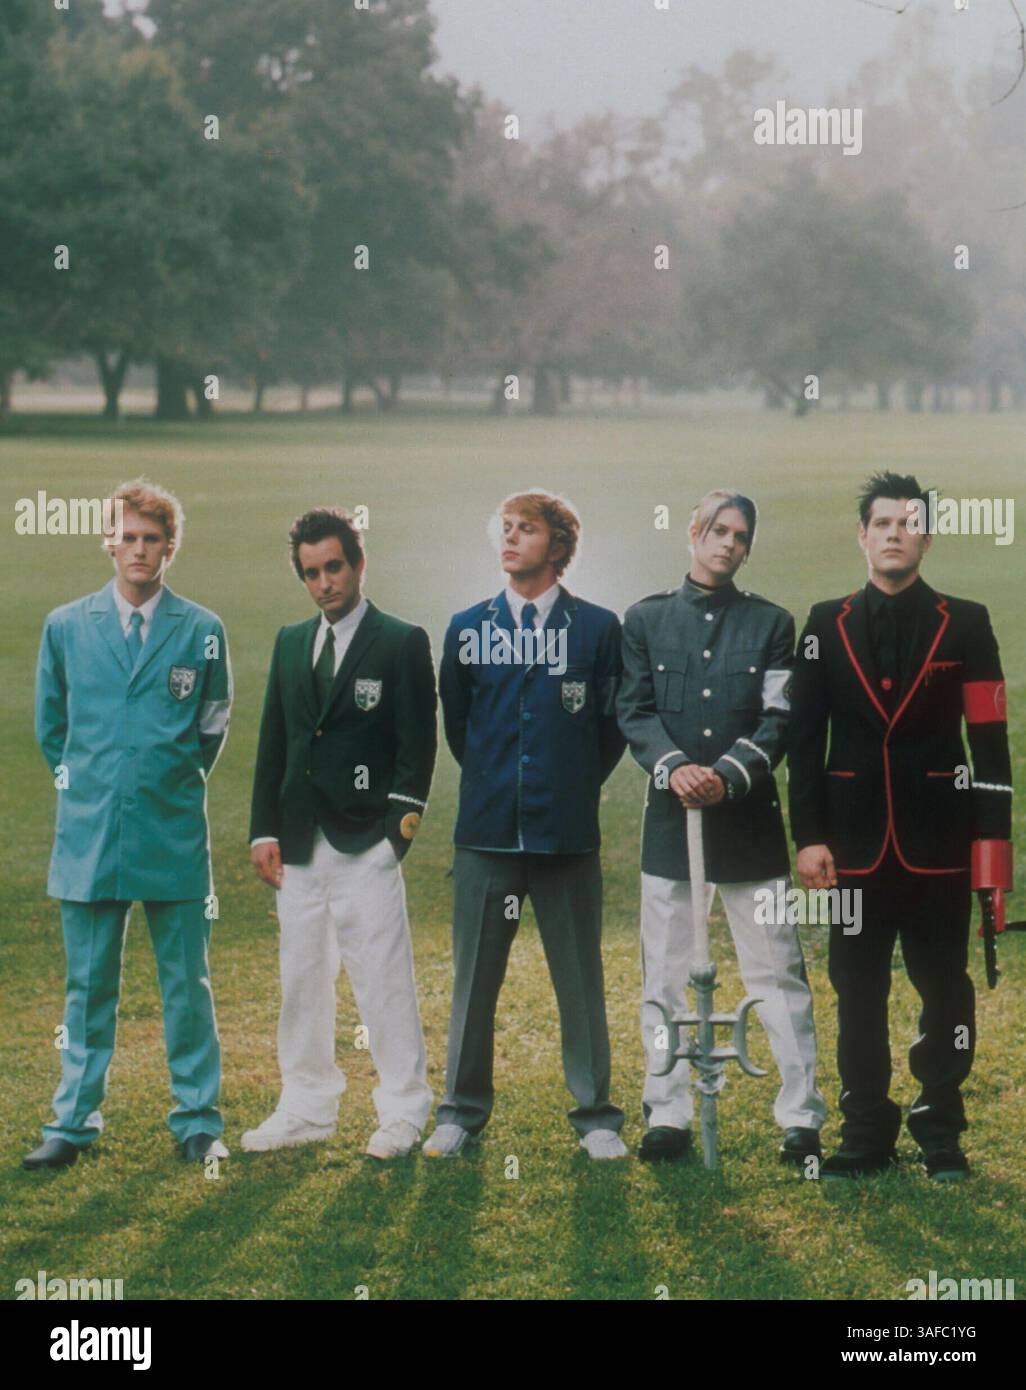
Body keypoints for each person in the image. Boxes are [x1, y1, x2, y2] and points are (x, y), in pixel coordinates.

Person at [788, 472, 1013, 1182]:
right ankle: (865, 1128)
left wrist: (993, 859)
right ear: (862, 535)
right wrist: (809, 836)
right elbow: (803, 741)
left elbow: (992, 744)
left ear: (926, 536)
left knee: (946, 988)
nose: (893, 533)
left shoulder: (967, 622)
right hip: (851, 849)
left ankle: (940, 1124)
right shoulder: (824, 624)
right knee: (857, 986)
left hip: (941, 849)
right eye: (880, 523)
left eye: (907, 523)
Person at [25, 479, 232, 1169]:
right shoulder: (65, 625)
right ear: (108, 541)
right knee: (87, 988)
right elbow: (51, 728)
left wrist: (162, 777)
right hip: (89, 834)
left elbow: (211, 724)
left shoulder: (201, 629)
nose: (139, 550)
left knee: (187, 984)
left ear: (170, 547)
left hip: (171, 832)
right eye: (128, 537)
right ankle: (72, 1123)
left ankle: (198, 1120)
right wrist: (95, 783)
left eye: (152, 539)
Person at [617, 488, 825, 1164]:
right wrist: (675, 768)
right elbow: (636, 710)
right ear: (693, 531)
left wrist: (729, 774)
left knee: (776, 972)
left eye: (741, 536)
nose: (729, 544)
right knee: (666, 976)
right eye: (719, 530)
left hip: (748, 827)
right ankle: (667, 1111)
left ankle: (799, 1117)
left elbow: (778, 719)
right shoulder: (645, 621)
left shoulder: (771, 625)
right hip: (670, 826)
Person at [423, 490, 627, 1159]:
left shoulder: (598, 629)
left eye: (527, 530)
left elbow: (607, 731)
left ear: (559, 546)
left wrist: (566, 785)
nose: (510, 539)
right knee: (474, 980)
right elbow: (460, 727)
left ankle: (596, 1116)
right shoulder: (466, 626)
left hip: (566, 835)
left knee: (580, 977)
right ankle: (458, 1111)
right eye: (504, 528)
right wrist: (498, 780)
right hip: (486, 833)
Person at [246, 508, 436, 1160]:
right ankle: (306, 1107)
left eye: (333, 567)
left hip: (365, 841)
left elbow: (418, 748)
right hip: (298, 841)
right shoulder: (290, 642)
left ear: (357, 564)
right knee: (301, 977)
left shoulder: (399, 640)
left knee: (382, 978)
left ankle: (404, 1110)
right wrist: (262, 830)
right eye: (311, 573)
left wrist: (396, 838)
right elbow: (276, 741)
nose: (324, 583)